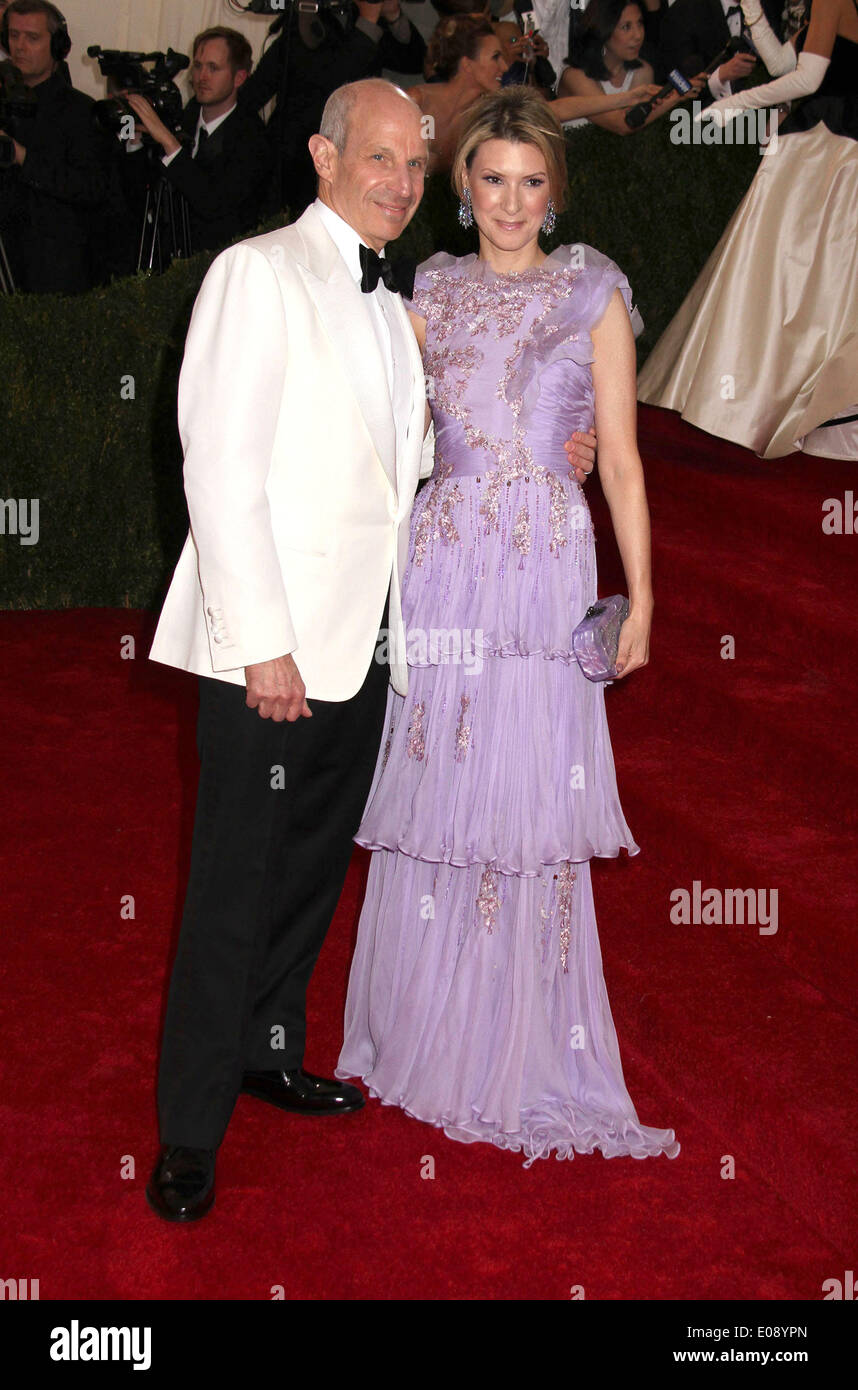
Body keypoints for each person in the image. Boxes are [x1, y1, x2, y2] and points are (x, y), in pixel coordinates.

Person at [145, 73, 601, 1221]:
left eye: (414, 162)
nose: (400, 182)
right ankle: (190, 1132)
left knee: (306, 874)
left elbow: (420, 470)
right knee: (233, 885)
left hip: (372, 645)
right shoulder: (258, 275)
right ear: (323, 155)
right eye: (380, 158)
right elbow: (220, 471)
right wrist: (262, 644)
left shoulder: (397, 300)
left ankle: (271, 1050)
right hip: (273, 651)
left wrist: (560, 449)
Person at [336, 85, 680, 1166]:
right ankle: (425, 1031)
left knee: (527, 794)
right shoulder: (428, 290)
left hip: (541, 567)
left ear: (556, 190)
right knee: (443, 788)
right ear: (462, 184)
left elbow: (619, 456)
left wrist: (648, 592)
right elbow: (381, 426)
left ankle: (523, 1040)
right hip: (443, 564)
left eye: (532, 182)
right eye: (492, 178)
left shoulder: (594, 292)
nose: (511, 200)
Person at [637, 0, 858, 460]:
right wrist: (754, 10)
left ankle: (788, 398)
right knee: (803, 276)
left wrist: (735, 104)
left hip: (827, 147)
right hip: (827, 144)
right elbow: (785, 64)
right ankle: (786, 395)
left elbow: (809, 79)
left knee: (785, 273)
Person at [238, 1, 426, 215]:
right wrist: (368, 21)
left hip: (355, 158)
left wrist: (393, 15)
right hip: (299, 164)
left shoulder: (360, 18)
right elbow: (335, 85)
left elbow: (416, 59)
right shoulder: (307, 19)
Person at [414, 13, 665, 167]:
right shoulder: (416, 101)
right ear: (467, 65)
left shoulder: (490, 108)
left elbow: (557, 109)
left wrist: (627, 97)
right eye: (495, 57)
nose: (504, 66)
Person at [122, 27, 272, 256]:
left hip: (217, 263)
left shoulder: (252, 137)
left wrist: (167, 140)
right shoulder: (184, 117)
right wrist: (134, 140)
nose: (202, 77)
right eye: (198, 65)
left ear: (239, 77)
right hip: (167, 260)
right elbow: (141, 192)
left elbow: (212, 203)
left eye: (213, 68)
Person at [0, 1, 110, 292]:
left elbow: (92, 188)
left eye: (32, 38)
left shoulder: (81, 110)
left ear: (58, 46)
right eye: (13, 35)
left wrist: (23, 157)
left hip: (51, 272)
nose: (19, 46)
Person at [558, 0, 706, 133]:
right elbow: (621, 124)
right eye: (626, 27)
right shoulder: (575, 77)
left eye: (640, 23)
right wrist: (675, 95)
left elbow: (637, 124)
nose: (637, 35)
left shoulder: (642, 70)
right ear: (603, 31)